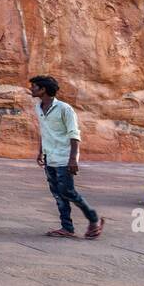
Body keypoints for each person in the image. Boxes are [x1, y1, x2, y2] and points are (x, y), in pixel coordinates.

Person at [29, 74, 104, 240]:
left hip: (64, 158)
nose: (31, 89)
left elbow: (74, 135)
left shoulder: (65, 109)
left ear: (43, 89)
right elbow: (44, 131)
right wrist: (41, 151)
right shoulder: (39, 107)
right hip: (50, 157)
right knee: (57, 193)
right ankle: (67, 227)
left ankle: (94, 219)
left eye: (34, 86)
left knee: (68, 192)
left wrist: (73, 159)